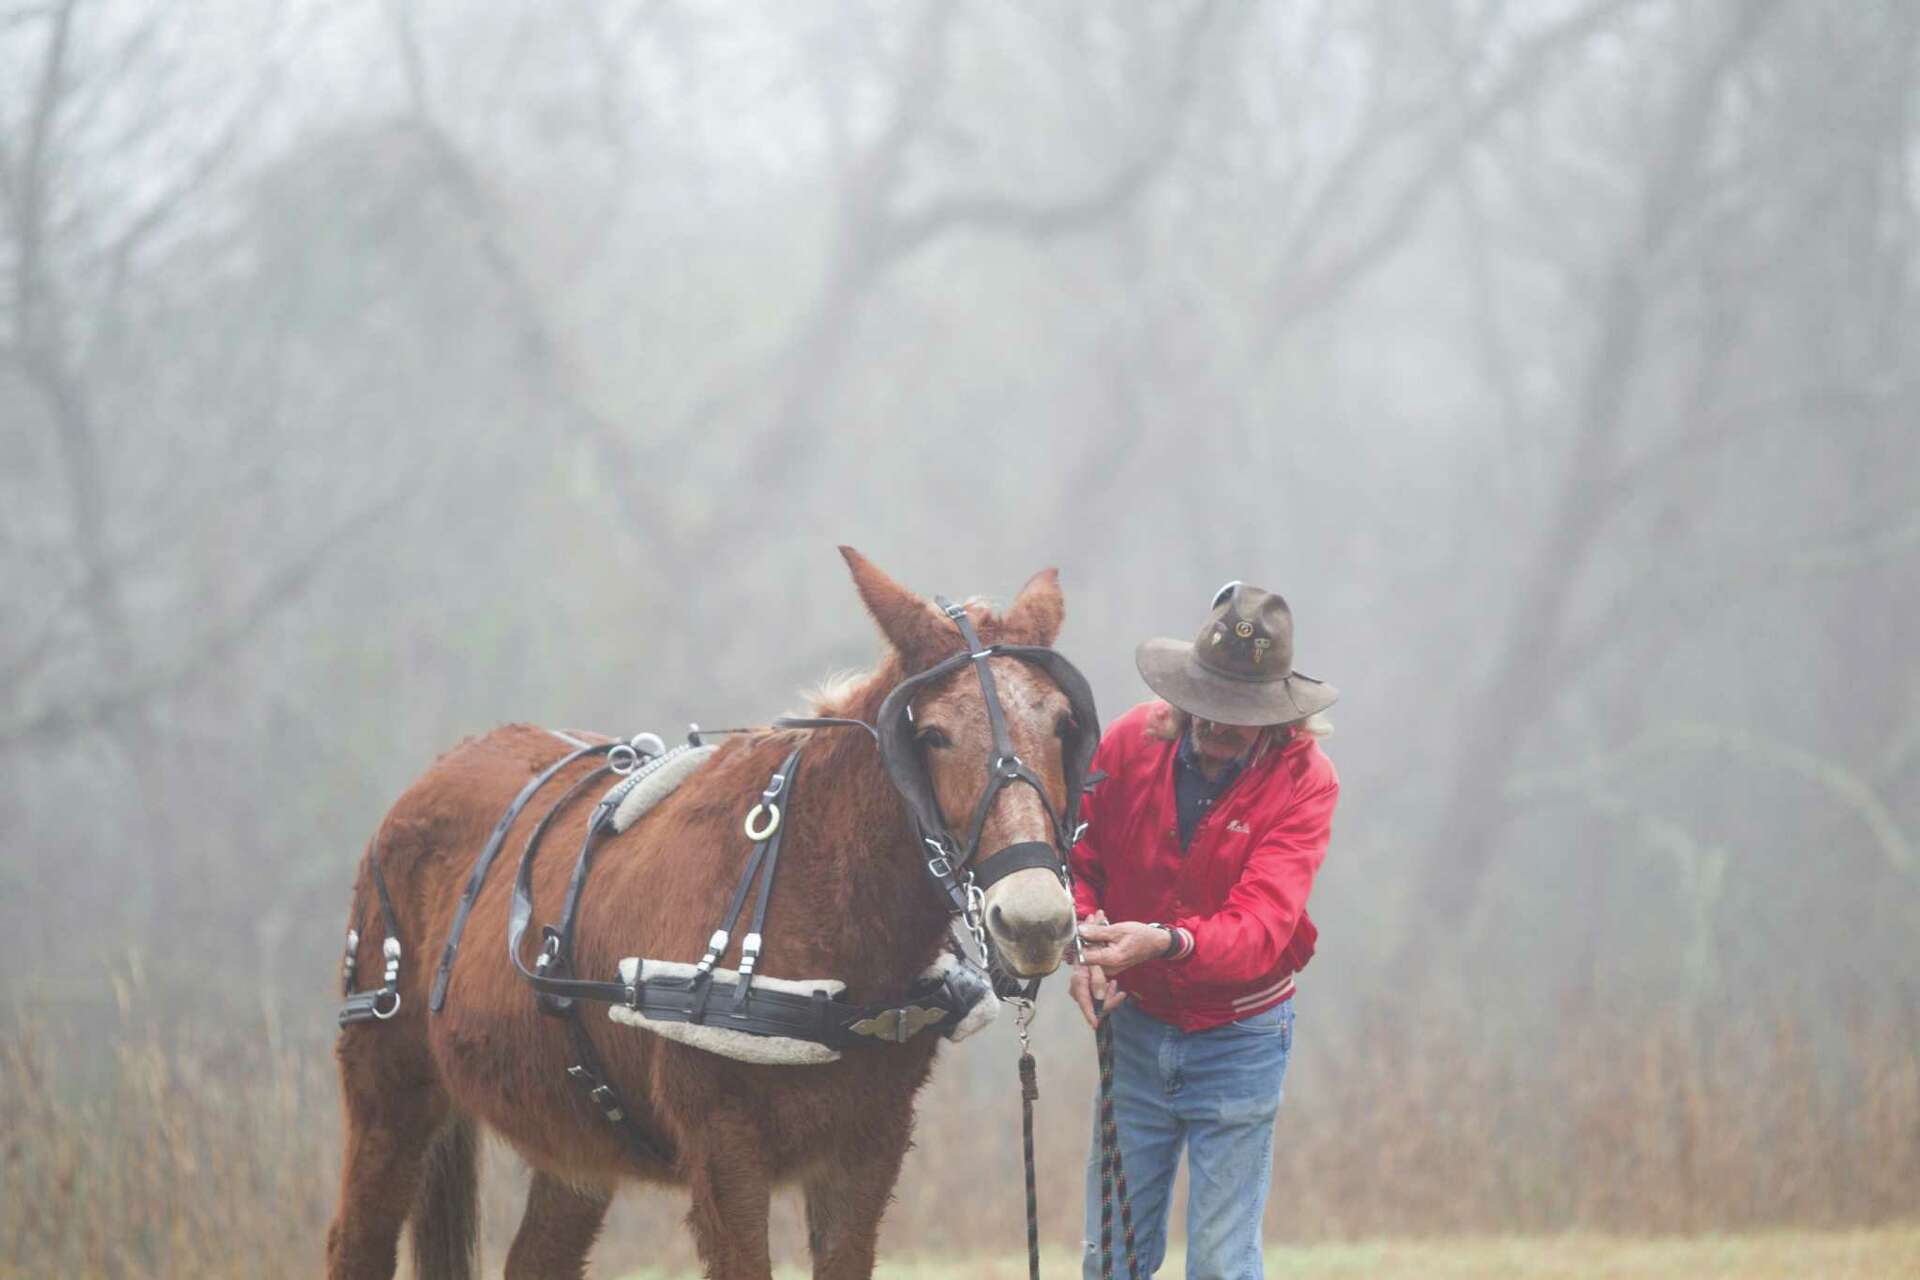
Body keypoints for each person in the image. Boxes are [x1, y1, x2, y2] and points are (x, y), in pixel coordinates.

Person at [1071, 581, 1339, 1280]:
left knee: (1221, 1265)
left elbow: (1258, 929)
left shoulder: (1308, 782)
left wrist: (1164, 941)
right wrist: (1084, 941)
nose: (1217, 726)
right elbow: (1079, 860)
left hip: (1241, 1040)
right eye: (1208, 706)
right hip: (1133, 1032)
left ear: (1277, 716)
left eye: (1238, 714)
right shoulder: (1128, 743)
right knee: (1110, 1258)